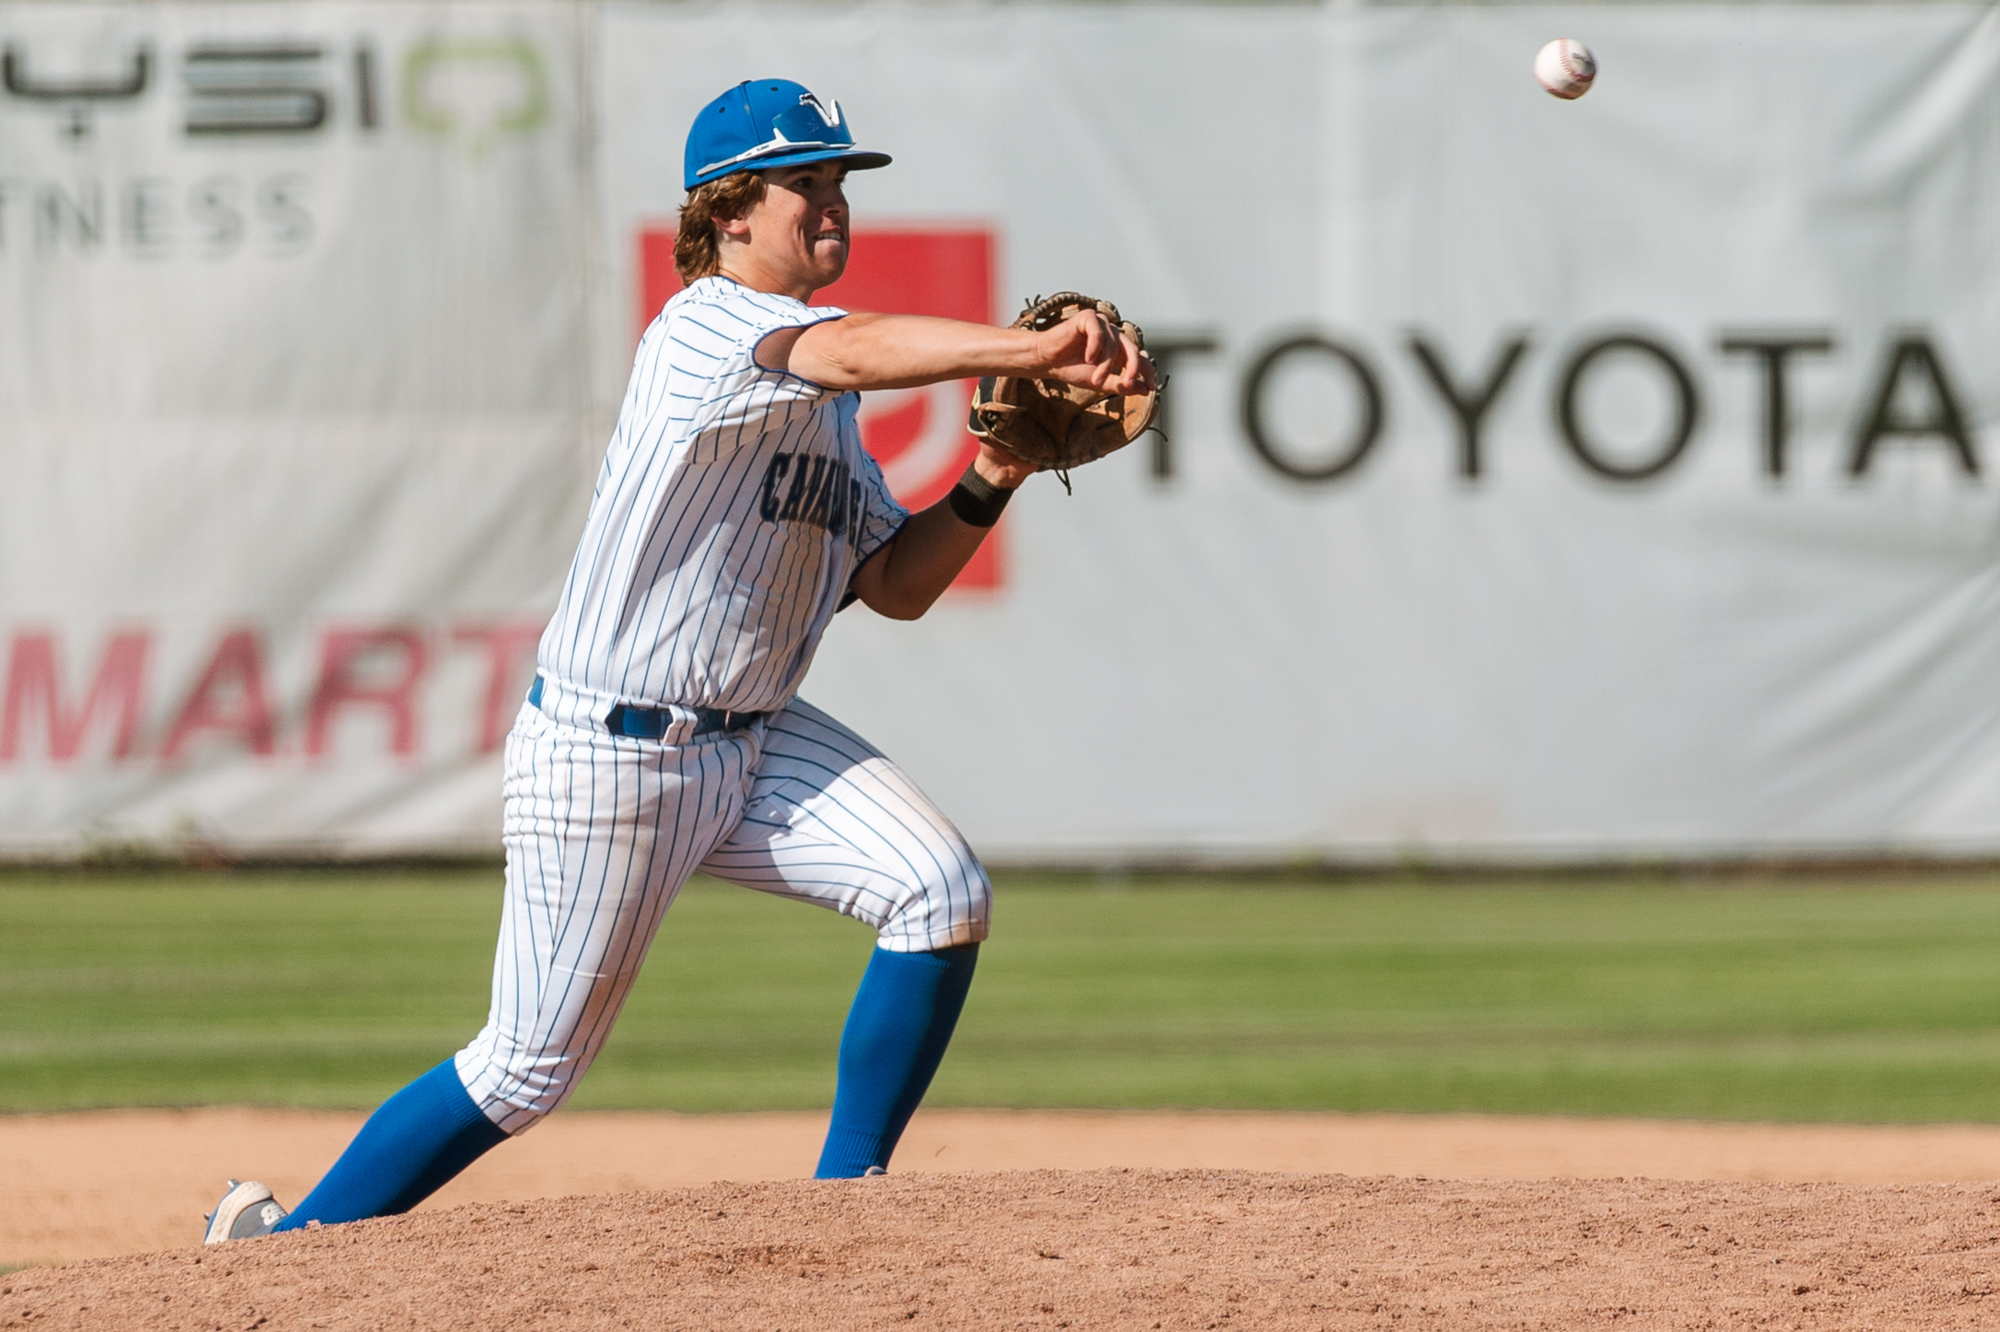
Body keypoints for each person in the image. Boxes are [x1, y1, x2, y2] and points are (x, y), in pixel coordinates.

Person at [203, 77, 1155, 1243]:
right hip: (612, 755)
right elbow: (850, 353)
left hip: (753, 740)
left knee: (939, 893)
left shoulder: (826, 408)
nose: (829, 204)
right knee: (520, 1072)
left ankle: (841, 1213)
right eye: (801, 181)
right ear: (727, 210)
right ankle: (282, 1256)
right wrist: (1031, 345)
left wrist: (993, 476)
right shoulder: (705, 324)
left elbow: (894, 590)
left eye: (837, 181)